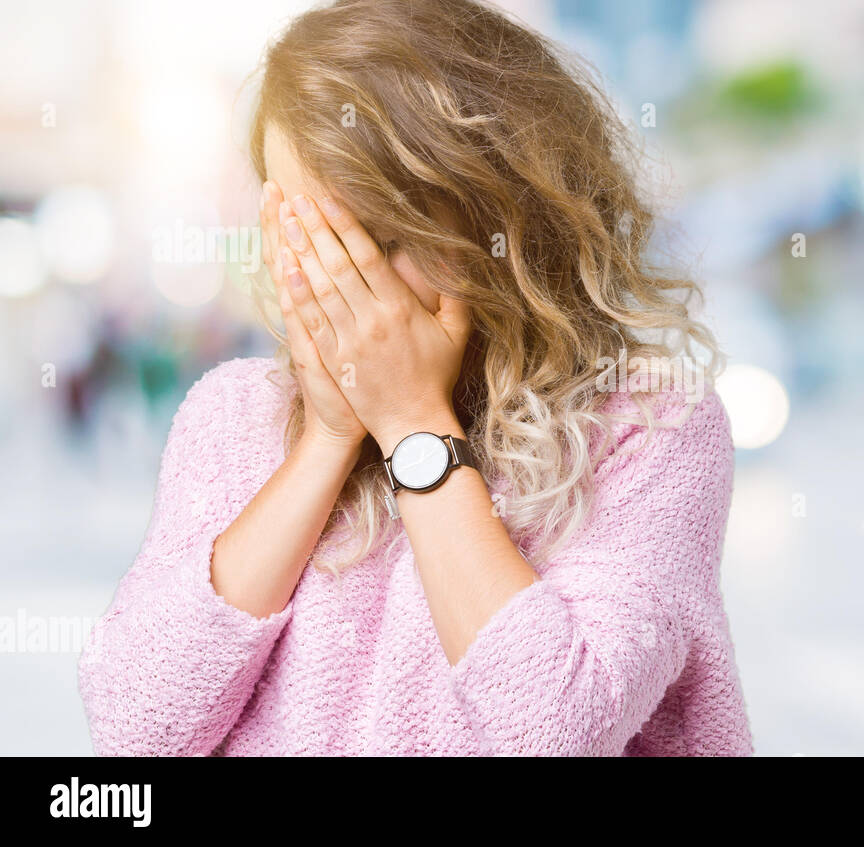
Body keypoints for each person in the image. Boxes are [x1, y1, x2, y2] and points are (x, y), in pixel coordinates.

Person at [78, 0, 751, 756]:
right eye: (312, 236)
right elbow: (139, 731)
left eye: (378, 238)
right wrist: (328, 439)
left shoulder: (648, 427)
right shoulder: (235, 418)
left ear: (505, 214)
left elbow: (556, 727)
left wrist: (413, 425)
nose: (343, 282)